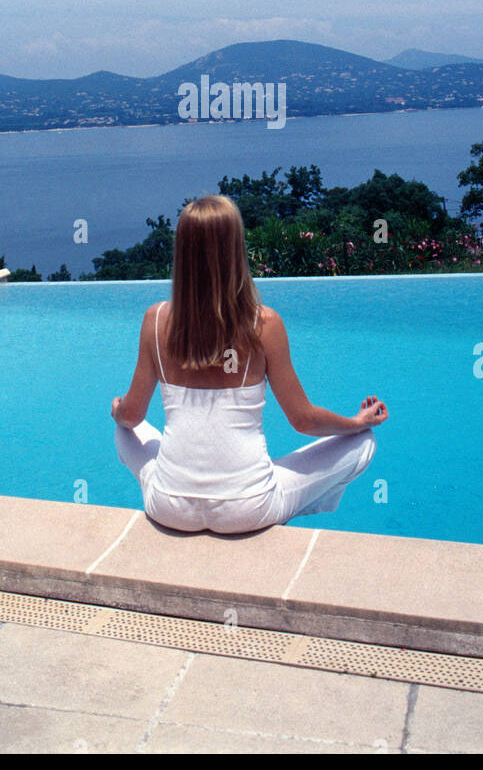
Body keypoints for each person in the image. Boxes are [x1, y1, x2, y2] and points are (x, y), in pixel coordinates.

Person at [112, 194, 388, 534]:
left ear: (181, 251)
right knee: (364, 442)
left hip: (170, 507)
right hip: (248, 508)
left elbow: (132, 416)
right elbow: (304, 420)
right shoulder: (264, 324)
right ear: (235, 251)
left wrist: (117, 410)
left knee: (126, 429)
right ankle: (274, 496)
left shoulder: (154, 321)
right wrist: (355, 422)